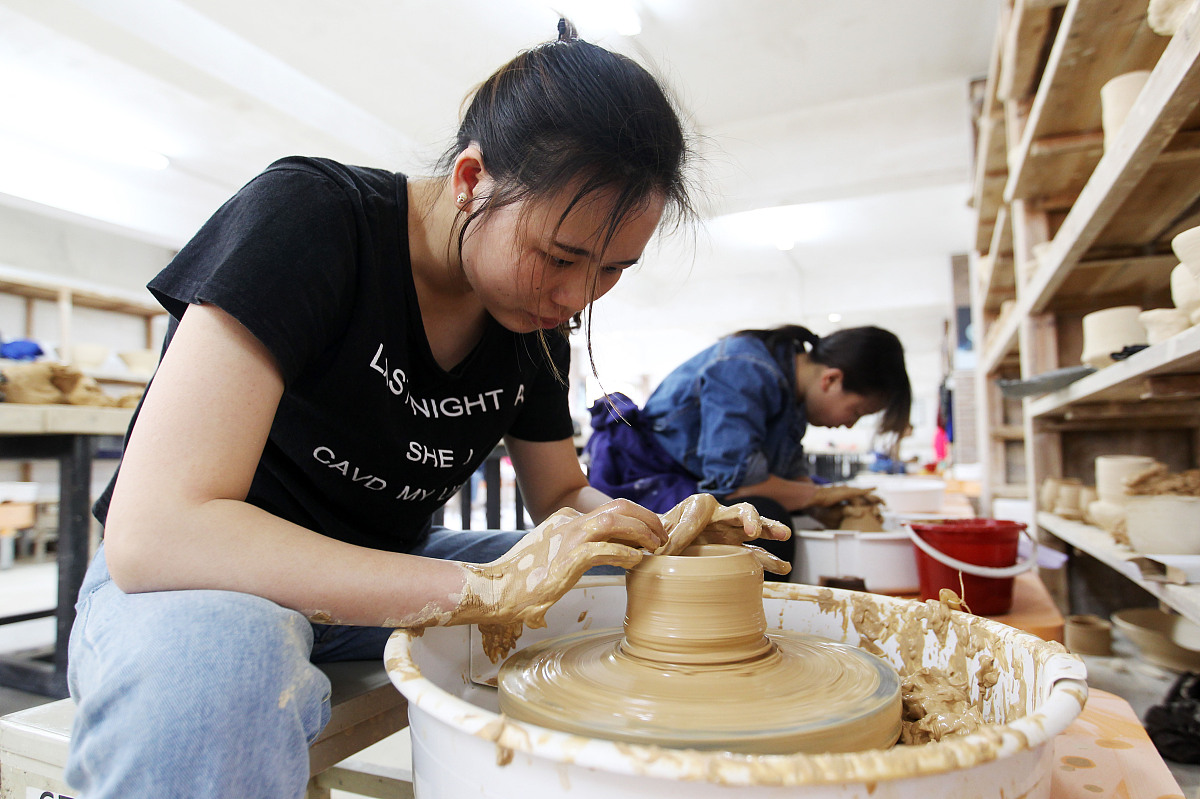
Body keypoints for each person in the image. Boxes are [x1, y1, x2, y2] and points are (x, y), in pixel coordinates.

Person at [64, 22, 787, 798]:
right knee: (217, 677)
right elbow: (156, 531)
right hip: (205, 576)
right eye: (561, 255)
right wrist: (483, 590)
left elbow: (561, 499)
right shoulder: (313, 219)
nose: (577, 297)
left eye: (612, 269)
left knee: (622, 578)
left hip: (385, 564)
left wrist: (656, 529)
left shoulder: (535, 321)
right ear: (473, 178)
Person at [586, 324, 912, 575]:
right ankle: (748, 625)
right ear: (831, 380)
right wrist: (816, 496)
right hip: (645, 477)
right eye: (856, 412)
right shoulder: (745, 369)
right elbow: (738, 485)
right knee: (763, 519)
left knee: (778, 514)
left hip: (694, 481)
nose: (850, 426)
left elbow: (792, 481)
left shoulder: (794, 399)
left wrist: (827, 503)